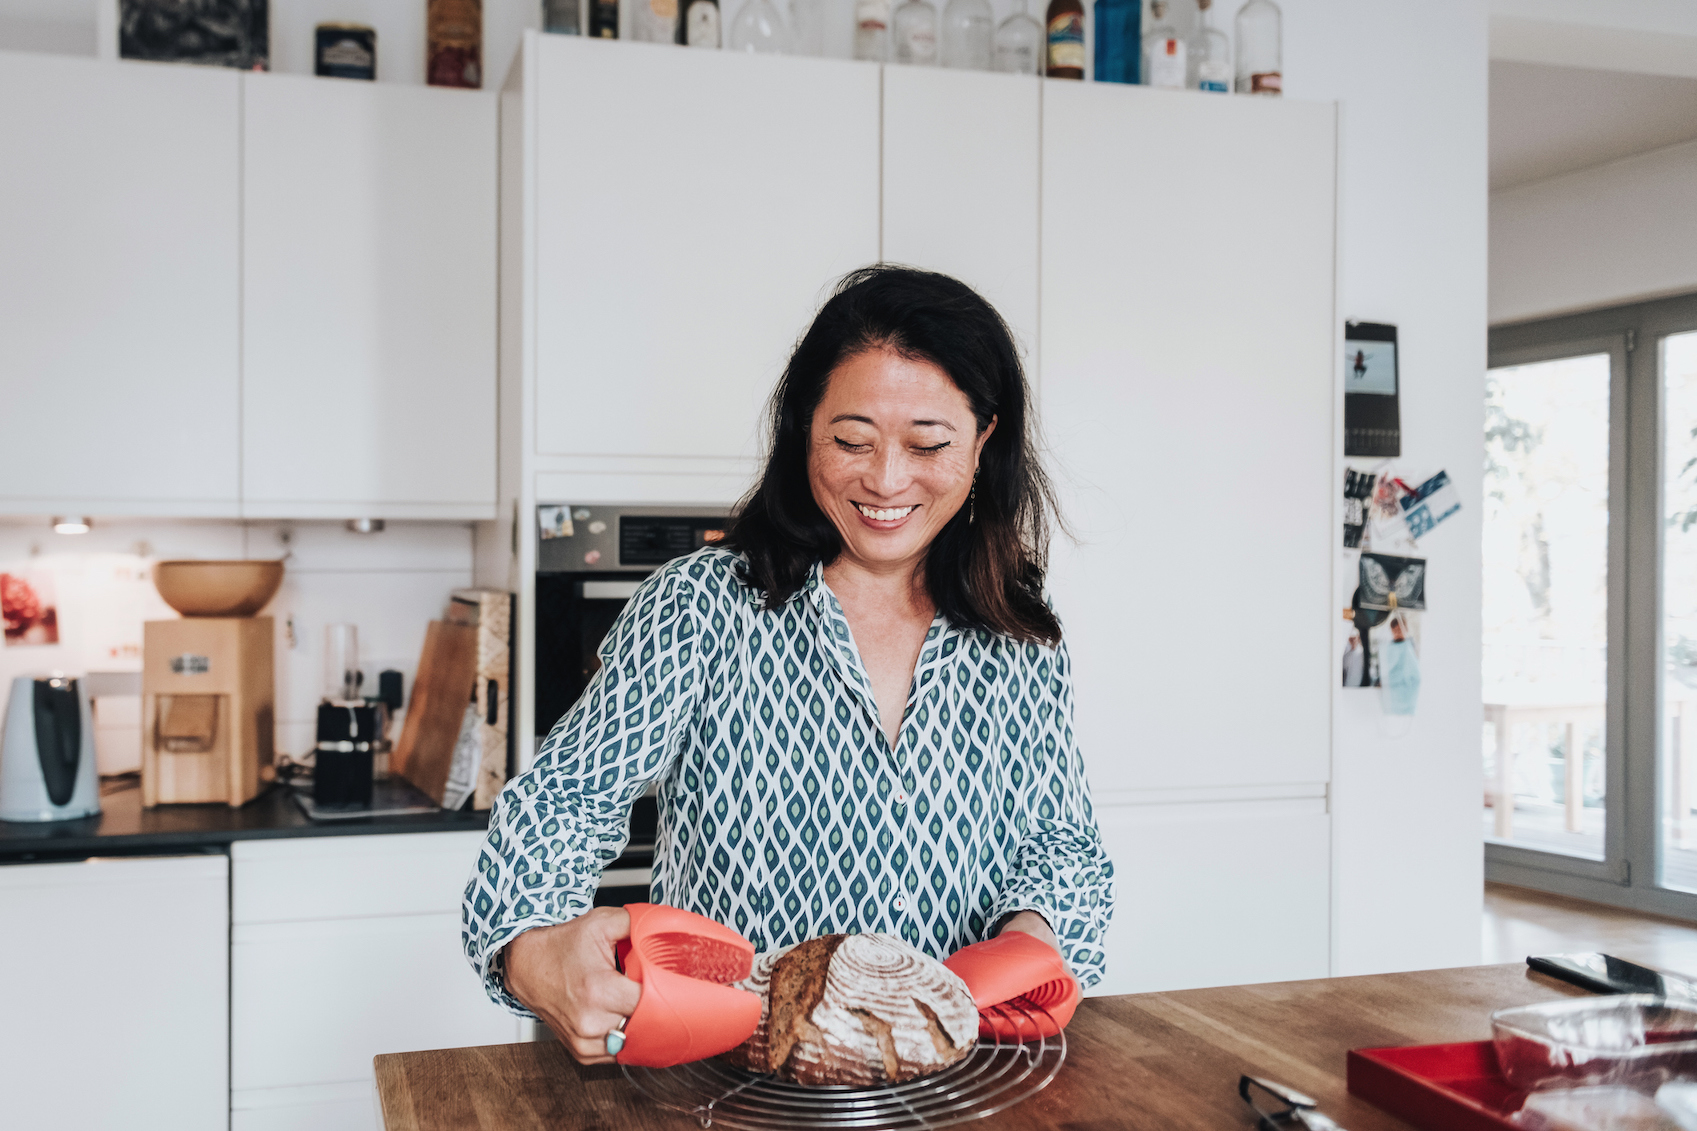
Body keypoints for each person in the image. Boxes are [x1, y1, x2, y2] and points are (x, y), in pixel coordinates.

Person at [461, 265, 1116, 1064]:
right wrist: (531, 950)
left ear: (983, 440)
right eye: (850, 439)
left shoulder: (1017, 628)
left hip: (960, 1082)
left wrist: (1032, 935)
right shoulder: (701, 605)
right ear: (803, 429)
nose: (884, 479)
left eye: (928, 443)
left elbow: (1062, 843)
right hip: (734, 1092)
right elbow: (564, 802)